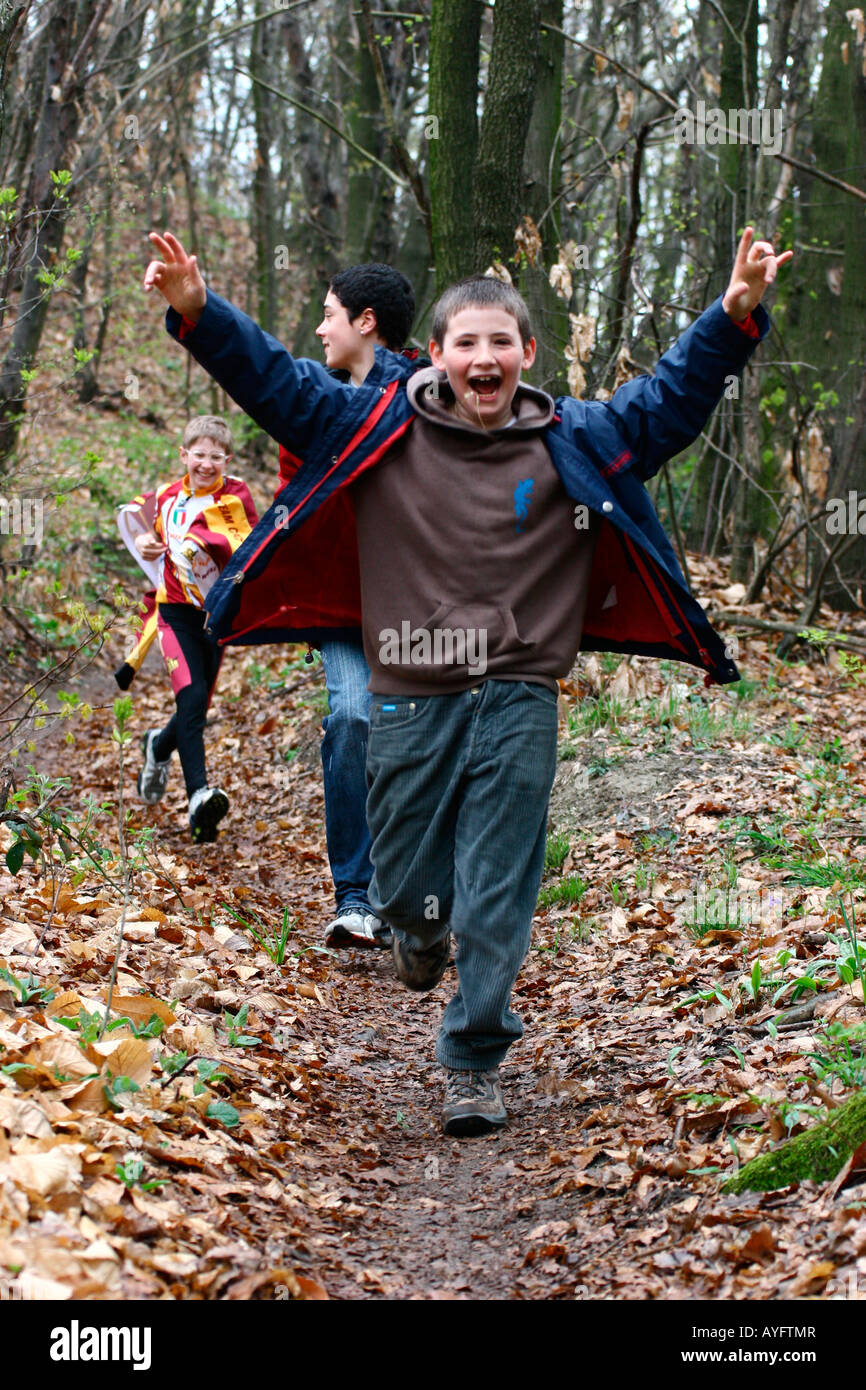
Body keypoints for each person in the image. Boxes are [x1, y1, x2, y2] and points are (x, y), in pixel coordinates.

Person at [143, 227, 791, 1134]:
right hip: (410, 695)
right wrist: (198, 310)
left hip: (520, 694)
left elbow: (670, 404)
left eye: (501, 343)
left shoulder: (576, 436)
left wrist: (731, 315)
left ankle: (473, 1059)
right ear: (437, 355)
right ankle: (414, 932)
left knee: (497, 887)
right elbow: (274, 384)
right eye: (465, 343)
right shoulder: (371, 422)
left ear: (527, 354)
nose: (483, 359)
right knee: (408, 888)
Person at [293, 264, 416, 952]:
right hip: (340, 609)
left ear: (366, 322)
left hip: (418, 615)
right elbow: (295, 498)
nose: (320, 326)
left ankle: (413, 896)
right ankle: (356, 897)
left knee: (412, 740)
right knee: (349, 716)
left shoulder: (432, 399)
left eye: (330, 312)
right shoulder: (315, 403)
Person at [115, 415, 258, 843]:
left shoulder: (236, 497)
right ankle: (199, 798)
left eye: (216, 456)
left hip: (214, 616)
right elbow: (133, 517)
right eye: (199, 454)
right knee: (192, 696)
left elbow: (247, 543)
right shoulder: (166, 497)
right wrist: (142, 541)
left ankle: (158, 746)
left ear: (227, 459)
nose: (207, 463)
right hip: (173, 612)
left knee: (197, 707)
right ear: (184, 455)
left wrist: (208, 545)